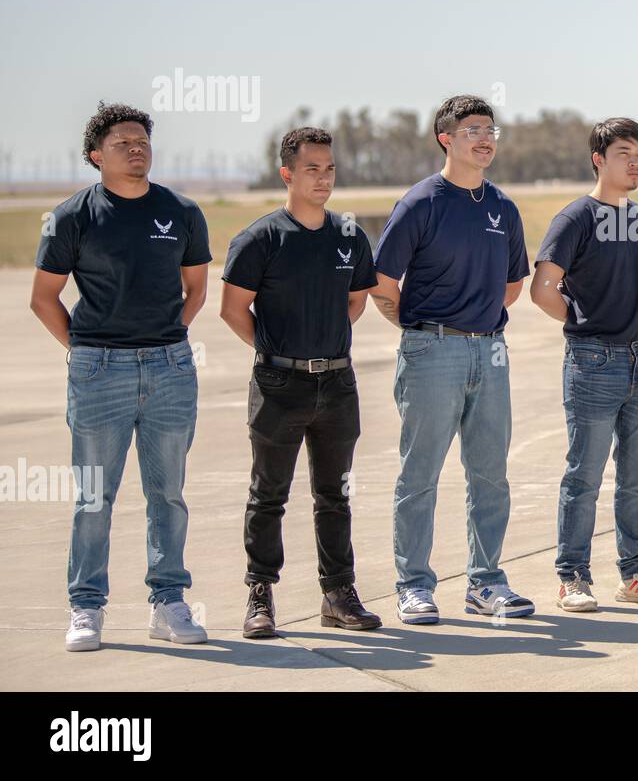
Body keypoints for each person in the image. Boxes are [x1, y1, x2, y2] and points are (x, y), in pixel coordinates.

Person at [31, 102, 210, 651]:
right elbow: (43, 298)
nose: (137, 148)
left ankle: (168, 603)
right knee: (93, 497)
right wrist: (89, 351)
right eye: (122, 142)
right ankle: (86, 608)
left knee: (168, 495)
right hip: (98, 371)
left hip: (170, 370)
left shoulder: (181, 211)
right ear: (96, 155)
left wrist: (164, 341)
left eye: (143, 141)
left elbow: (197, 288)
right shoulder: (72, 217)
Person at [371, 95, 535, 623]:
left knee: (490, 473)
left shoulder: (503, 209)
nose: (485, 138)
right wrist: (423, 329)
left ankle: (486, 583)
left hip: (490, 351)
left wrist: (475, 322)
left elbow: (512, 285)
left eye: (491, 129)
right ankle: (413, 585)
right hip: (430, 351)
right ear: (446, 138)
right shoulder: (421, 203)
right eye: (472, 130)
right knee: (420, 474)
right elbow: (381, 284)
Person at [220, 127, 382, 638]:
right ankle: (260, 594)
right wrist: (277, 352)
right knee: (268, 494)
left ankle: (338, 593)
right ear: (287, 174)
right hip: (277, 385)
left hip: (336, 384)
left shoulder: (350, 236)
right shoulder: (260, 238)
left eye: (329, 168)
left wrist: (322, 345)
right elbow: (232, 309)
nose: (323, 177)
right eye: (312, 168)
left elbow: (356, 302)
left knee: (334, 494)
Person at [531, 118, 638, 612]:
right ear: (599, 159)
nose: (635, 161)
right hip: (594, 362)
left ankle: (637, 575)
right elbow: (542, 289)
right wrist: (583, 323)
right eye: (623, 152)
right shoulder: (575, 218)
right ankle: (572, 577)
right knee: (585, 477)